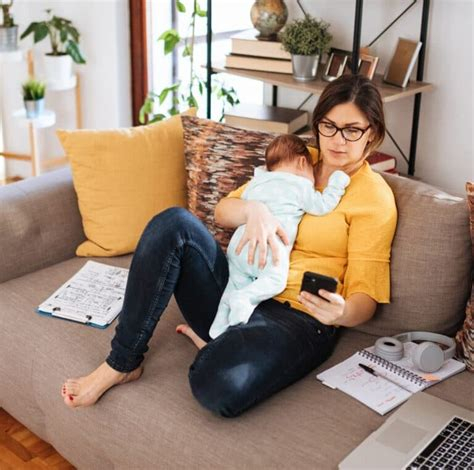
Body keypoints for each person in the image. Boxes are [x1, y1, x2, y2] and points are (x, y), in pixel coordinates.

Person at [61, 74, 397, 418]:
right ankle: (122, 362)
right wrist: (255, 210)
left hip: (296, 317)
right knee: (173, 224)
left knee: (217, 386)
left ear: (372, 132)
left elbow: (365, 298)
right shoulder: (295, 159)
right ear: (318, 124)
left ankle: (215, 344)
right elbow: (223, 212)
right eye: (329, 126)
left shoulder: (374, 197)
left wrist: (342, 312)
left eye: (352, 130)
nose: (338, 140)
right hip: (236, 287)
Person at [209, 134, 350, 339]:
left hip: (240, 244)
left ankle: (217, 329)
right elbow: (322, 206)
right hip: (268, 250)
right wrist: (337, 181)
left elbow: (231, 208)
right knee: (274, 281)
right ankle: (244, 299)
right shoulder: (299, 186)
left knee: (234, 283)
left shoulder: (257, 182)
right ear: (303, 162)